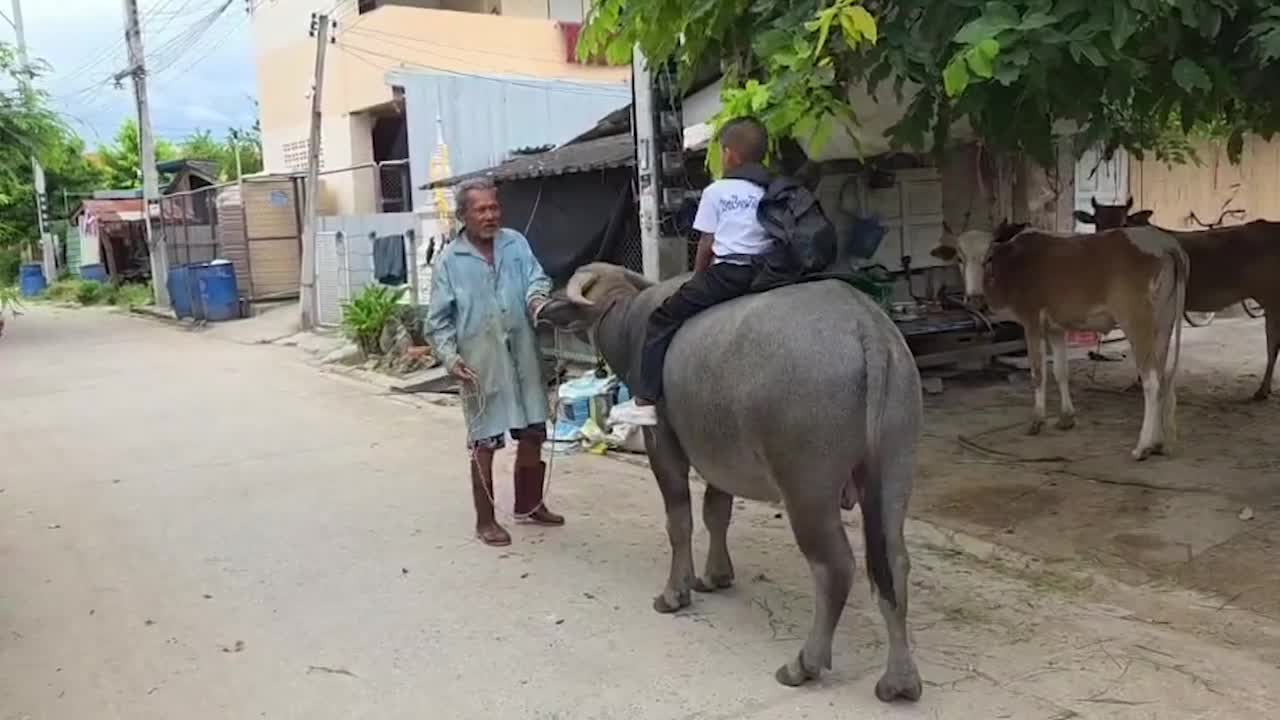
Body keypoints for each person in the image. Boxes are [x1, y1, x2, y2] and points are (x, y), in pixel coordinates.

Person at [426, 178, 564, 547]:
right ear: (463, 215)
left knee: (534, 432)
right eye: (481, 210)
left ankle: (529, 504)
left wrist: (536, 300)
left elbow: (537, 278)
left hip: (524, 355)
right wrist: (450, 358)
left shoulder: (515, 243)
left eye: (494, 207)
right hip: (480, 363)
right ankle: (485, 522)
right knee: (484, 443)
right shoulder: (449, 262)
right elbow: (438, 321)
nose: (490, 215)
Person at [612, 117, 775, 427]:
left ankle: (645, 401)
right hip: (769, 273)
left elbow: (706, 244)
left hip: (729, 275)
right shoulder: (771, 189)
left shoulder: (717, 191)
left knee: (661, 318)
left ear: (730, 155)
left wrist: (699, 278)